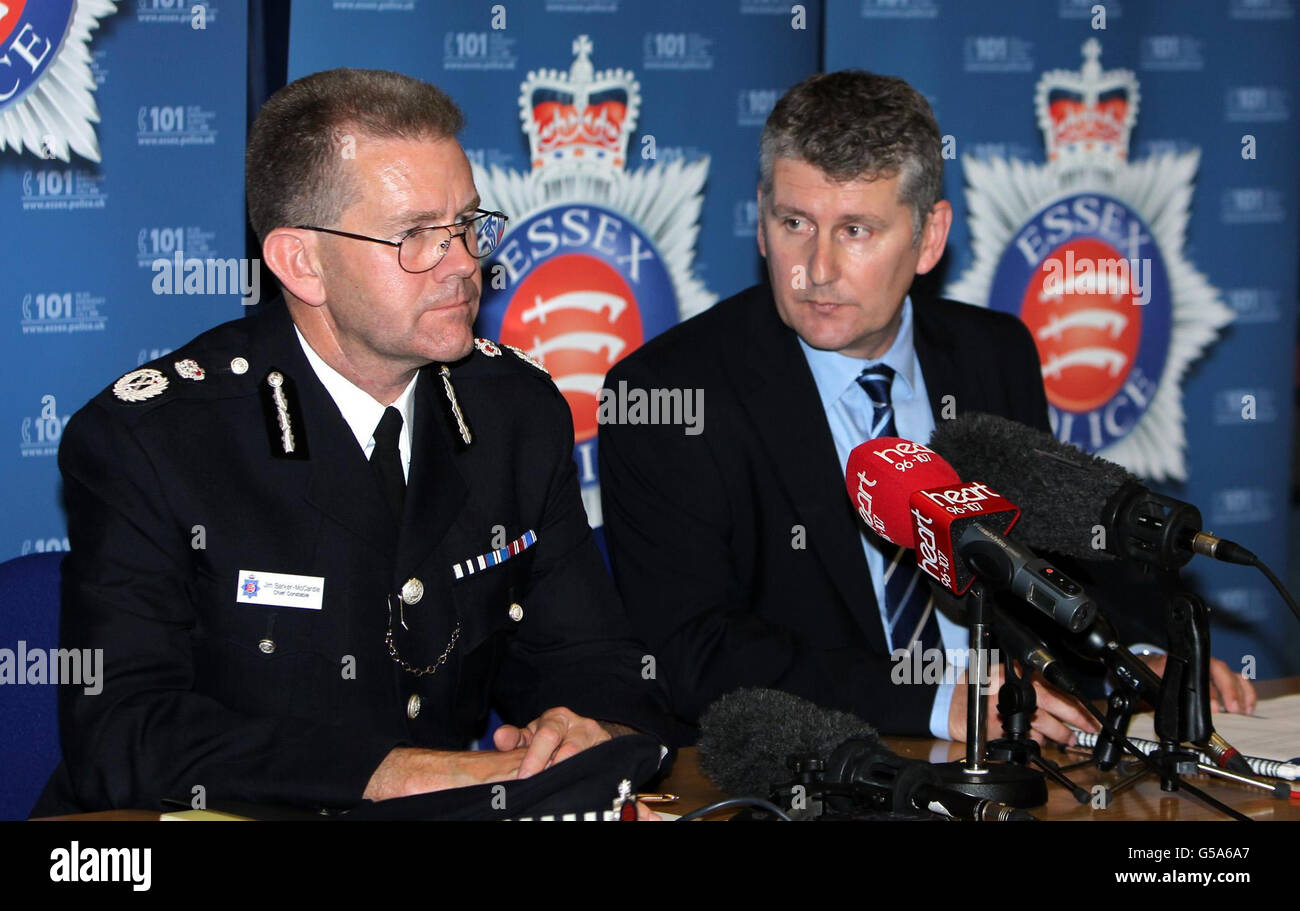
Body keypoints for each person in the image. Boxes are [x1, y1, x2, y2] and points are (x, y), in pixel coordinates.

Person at [34, 68, 668, 816]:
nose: (465, 261)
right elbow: (122, 737)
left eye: (468, 223)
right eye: (416, 236)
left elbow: (593, 659)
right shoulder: (155, 441)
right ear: (301, 262)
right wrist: (391, 773)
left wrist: (583, 728)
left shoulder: (513, 415)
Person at [598, 70, 1253, 747]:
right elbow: (692, 653)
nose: (815, 268)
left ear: (930, 235)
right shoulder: (671, 394)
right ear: (761, 220)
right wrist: (944, 701)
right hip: (822, 776)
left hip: (1023, 760)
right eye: (794, 223)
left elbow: (1048, 562)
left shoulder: (993, 354)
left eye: (855, 230)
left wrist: (1131, 658)